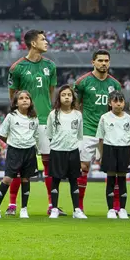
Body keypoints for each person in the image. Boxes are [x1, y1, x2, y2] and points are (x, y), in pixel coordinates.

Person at [6, 30, 57, 215]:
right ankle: (13, 204)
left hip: (44, 119)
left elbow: (51, 92)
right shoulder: (17, 67)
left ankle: (52, 204)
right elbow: (14, 96)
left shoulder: (50, 66)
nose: (46, 42)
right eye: (43, 39)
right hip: (23, 121)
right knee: (18, 164)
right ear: (33, 43)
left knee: (48, 162)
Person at [74, 50, 123, 213]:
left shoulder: (115, 84)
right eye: (100, 60)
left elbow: (118, 108)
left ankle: (116, 207)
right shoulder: (82, 82)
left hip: (109, 132)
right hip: (88, 129)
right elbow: (75, 104)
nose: (104, 63)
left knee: (114, 169)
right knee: (83, 167)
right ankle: (79, 207)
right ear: (93, 62)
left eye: (106, 60)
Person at [0, 91, 39, 219]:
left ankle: (24, 209)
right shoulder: (11, 116)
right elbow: (2, 134)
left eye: (27, 98)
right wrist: (13, 143)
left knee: (25, 179)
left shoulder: (34, 117)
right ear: (16, 103)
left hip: (29, 151)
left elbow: (36, 135)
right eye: (21, 98)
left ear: (30, 101)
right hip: (14, 151)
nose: (24, 100)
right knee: (7, 179)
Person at [46, 86, 86, 219]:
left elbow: (79, 135)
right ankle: (55, 209)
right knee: (55, 180)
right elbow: (50, 134)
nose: (67, 97)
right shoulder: (53, 114)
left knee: (74, 180)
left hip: (73, 151)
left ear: (73, 98)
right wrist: (58, 143)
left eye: (69, 95)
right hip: (57, 151)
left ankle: (76, 210)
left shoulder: (78, 114)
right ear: (59, 97)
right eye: (63, 95)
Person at [96, 92, 130, 219]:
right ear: (110, 103)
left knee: (122, 180)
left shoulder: (128, 118)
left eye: (121, 101)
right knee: (111, 179)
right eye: (115, 101)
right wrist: (101, 155)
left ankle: (122, 209)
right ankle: (111, 209)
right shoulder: (104, 117)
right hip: (109, 149)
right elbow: (100, 139)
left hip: (124, 150)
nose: (118, 104)